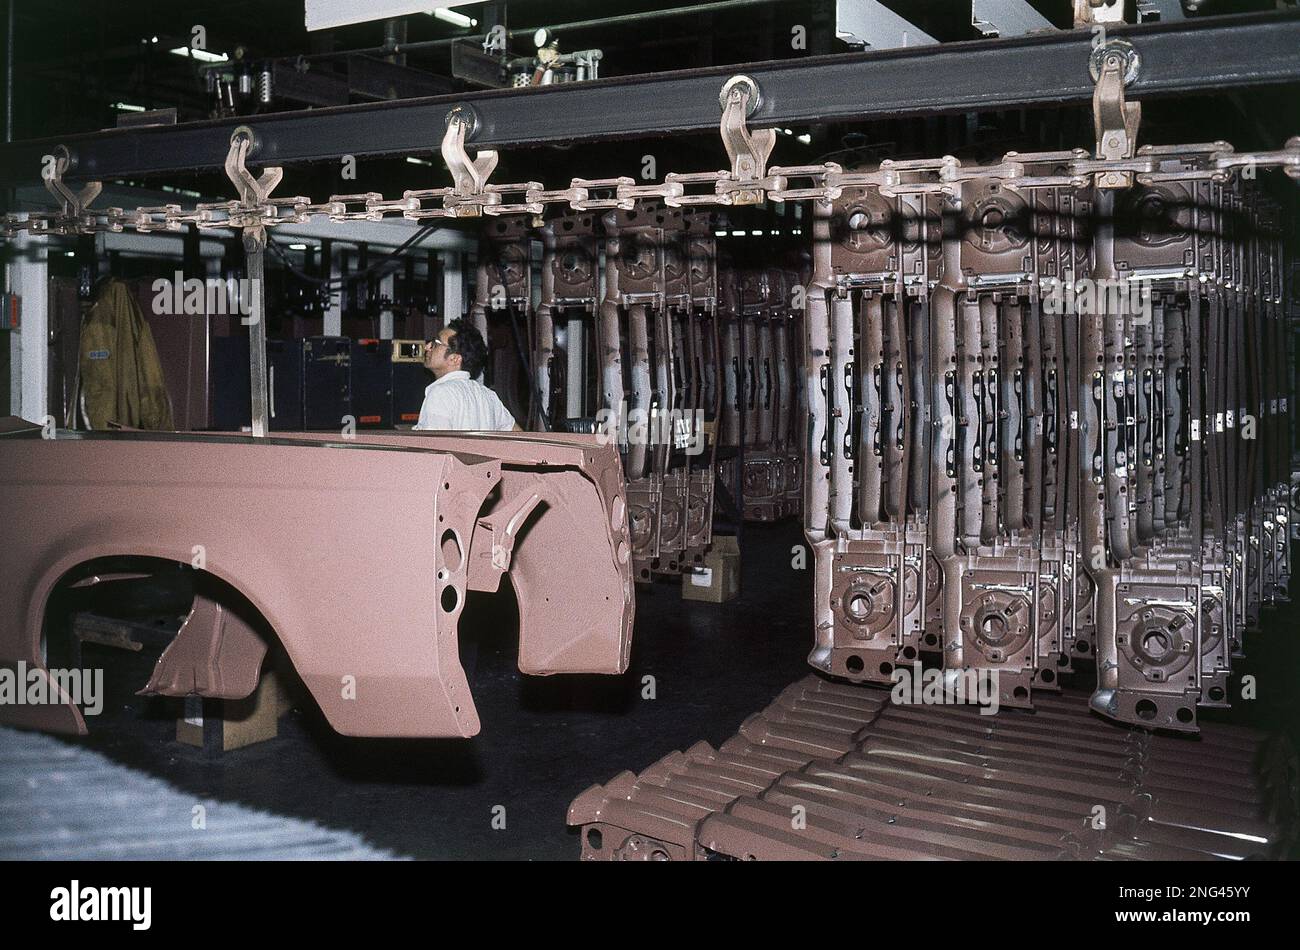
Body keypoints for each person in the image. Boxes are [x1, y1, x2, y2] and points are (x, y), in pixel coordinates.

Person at [413, 319, 520, 432]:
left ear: (455, 359)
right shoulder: (488, 396)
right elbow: (518, 436)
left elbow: (432, 445)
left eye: (436, 344)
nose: (427, 347)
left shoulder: (440, 394)